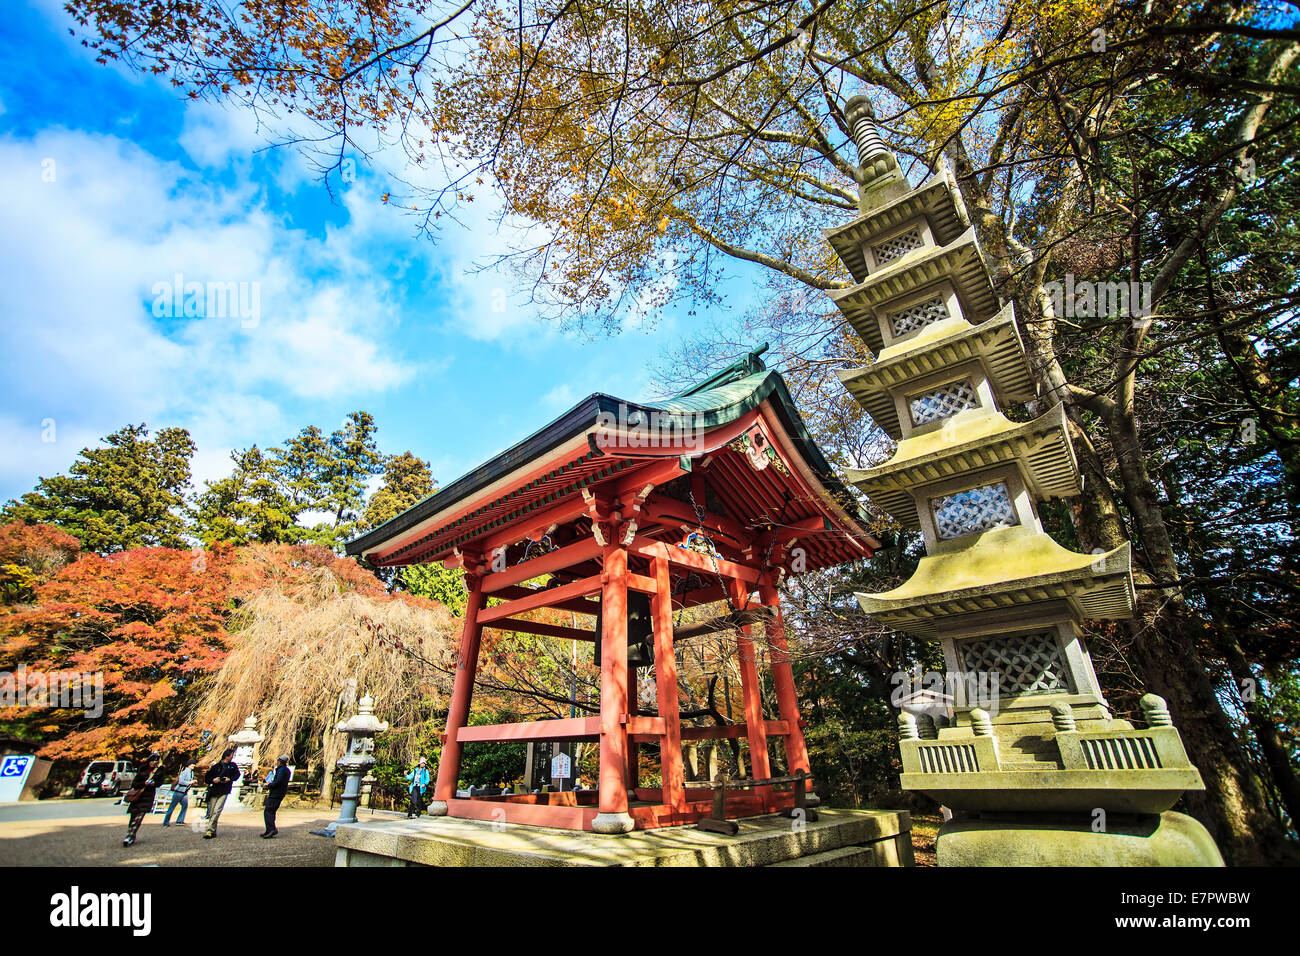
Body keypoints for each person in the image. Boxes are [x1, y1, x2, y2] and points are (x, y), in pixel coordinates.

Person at [122, 753, 161, 847]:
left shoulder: (158, 772)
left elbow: (160, 782)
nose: (153, 763)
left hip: (148, 797)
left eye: (156, 761)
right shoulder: (142, 770)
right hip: (138, 796)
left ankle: (129, 836)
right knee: (133, 817)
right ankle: (132, 835)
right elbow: (134, 783)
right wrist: (144, 783)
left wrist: (153, 783)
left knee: (139, 817)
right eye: (152, 761)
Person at [202, 748, 241, 839]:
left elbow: (237, 775)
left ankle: (209, 830)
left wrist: (229, 779)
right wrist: (213, 780)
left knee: (217, 810)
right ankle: (213, 830)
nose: (232, 757)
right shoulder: (216, 766)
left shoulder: (233, 766)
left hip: (224, 790)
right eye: (231, 755)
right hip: (214, 790)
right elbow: (207, 778)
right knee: (212, 811)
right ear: (227, 756)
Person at [261, 754, 291, 838]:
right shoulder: (285, 770)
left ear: (280, 762)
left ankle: (271, 829)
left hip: (276, 793)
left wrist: (269, 785)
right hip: (279, 793)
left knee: (268, 810)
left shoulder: (282, 770)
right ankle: (269, 829)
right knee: (271, 811)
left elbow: (278, 781)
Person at [161, 762, 195, 827]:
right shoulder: (185, 772)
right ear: (189, 765)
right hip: (179, 791)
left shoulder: (191, 773)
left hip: (184, 792)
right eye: (193, 764)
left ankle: (180, 820)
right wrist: (189, 782)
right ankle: (166, 822)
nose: (194, 765)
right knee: (172, 806)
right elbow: (181, 781)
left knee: (185, 805)